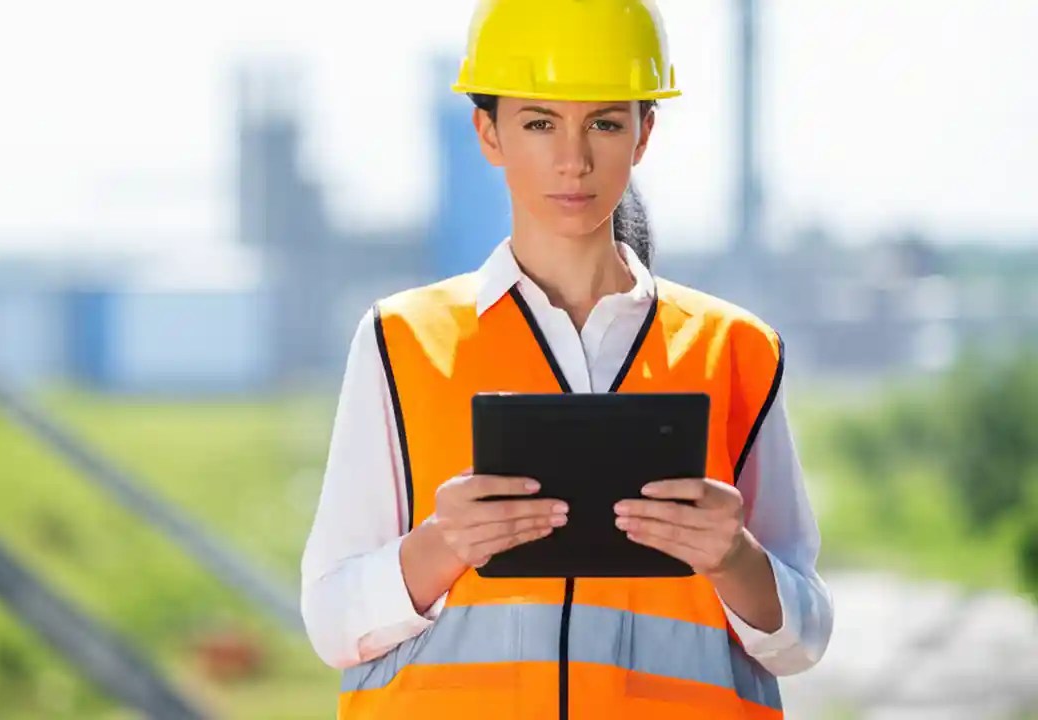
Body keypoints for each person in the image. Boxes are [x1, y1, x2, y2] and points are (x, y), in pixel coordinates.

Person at [300, 1, 833, 717]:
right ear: (488, 132)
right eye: (539, 122)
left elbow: (802, 639)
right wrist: (442, 545)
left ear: (645, 133)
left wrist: (732, 557)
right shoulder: (402, 341)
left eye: (605, 123)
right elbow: (331, 620)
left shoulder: (735, 350)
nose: (572, 160)